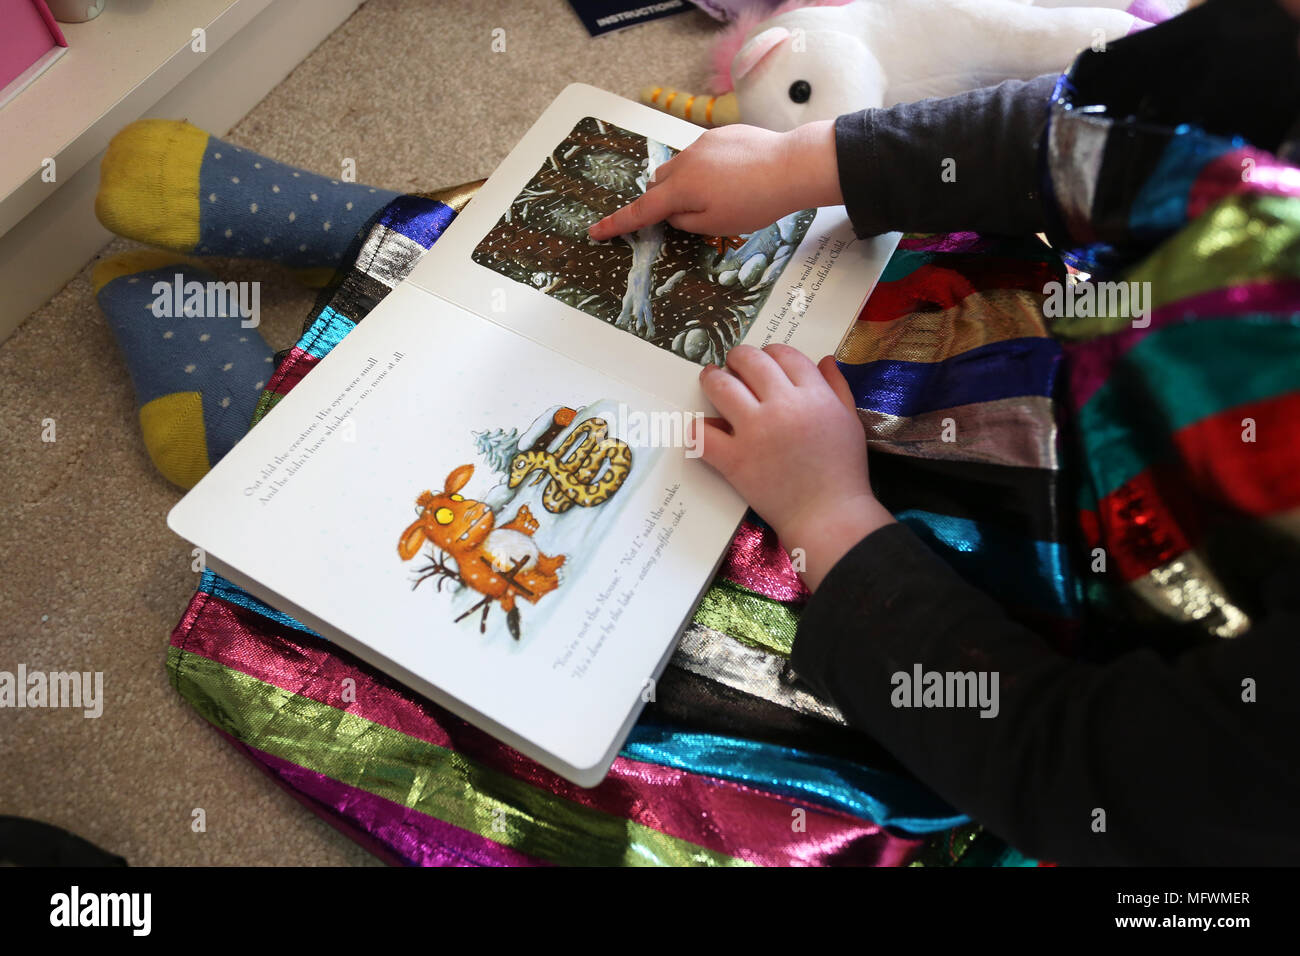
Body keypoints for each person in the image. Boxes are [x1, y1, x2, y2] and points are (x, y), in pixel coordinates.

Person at [589, 0, 1300, 864]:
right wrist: (810, 160)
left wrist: (827, 520)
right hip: (1061, 365)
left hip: (1027, 644)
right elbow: (1082, 138)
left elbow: (1083, 779)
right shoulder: (1270, 47)